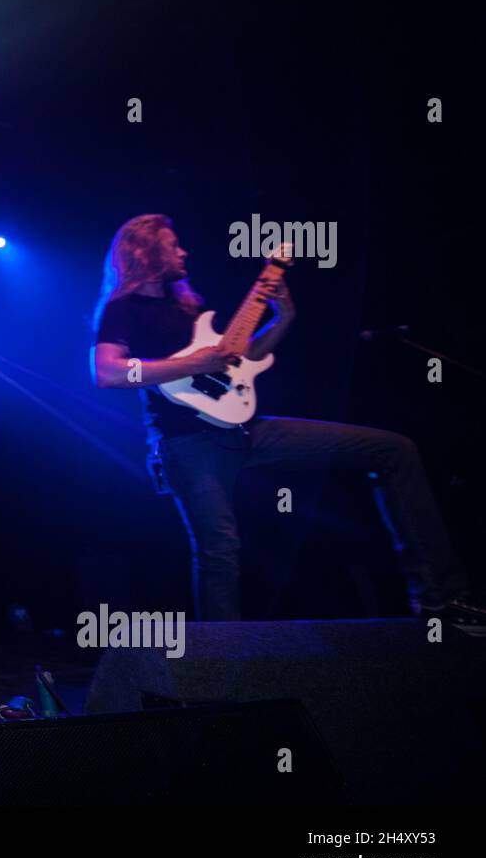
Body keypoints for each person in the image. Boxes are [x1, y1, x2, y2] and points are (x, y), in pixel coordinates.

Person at [91, 213, 482, 632]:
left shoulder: (191, 307)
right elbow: (108, 373)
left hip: (250, 428)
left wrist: (285, 314)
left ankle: (440, 600)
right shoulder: (122, 309)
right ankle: (221, 669)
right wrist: (192, 362)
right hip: (190, 443)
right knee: (220, 550)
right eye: (173, 243)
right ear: (145, 250)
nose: (183, 250)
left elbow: (244, 360)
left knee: (393, 449)